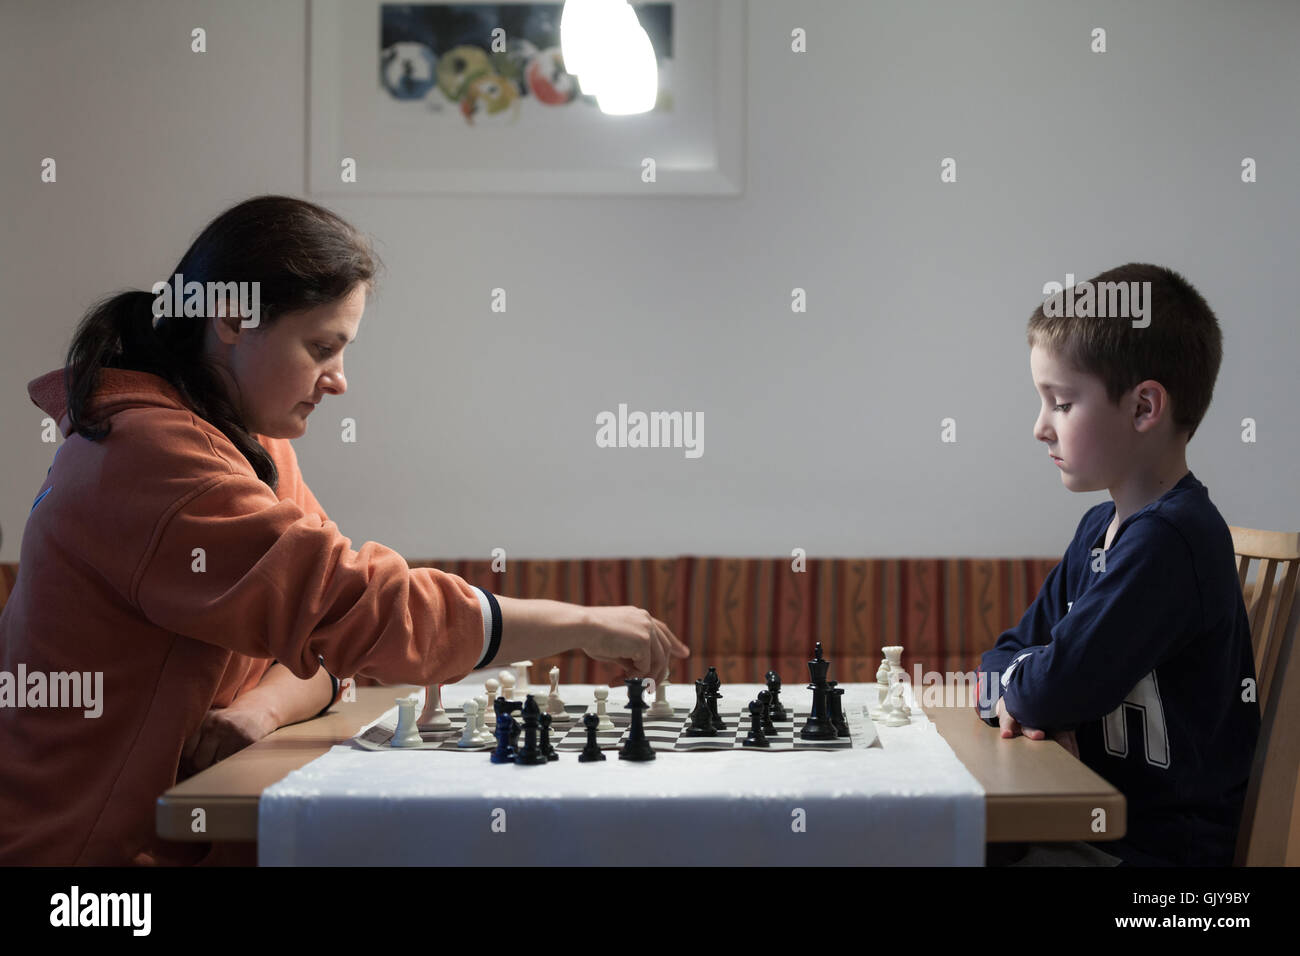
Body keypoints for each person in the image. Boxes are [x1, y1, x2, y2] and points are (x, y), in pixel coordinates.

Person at [0, 195, 688, 865]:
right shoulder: (150, 457)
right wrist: (576, 621)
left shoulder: (247, 448)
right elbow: (360, 613)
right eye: (322, 347)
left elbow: (333, 644)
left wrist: (264, 708)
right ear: (233, 319)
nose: (338, 381)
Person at [976, 263, 1260, 867]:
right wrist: (1032, 697)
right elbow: (996, 663)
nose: (1039, 428)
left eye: (1061, 402)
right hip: (1094, 832)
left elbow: (1050, 686)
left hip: (1160, 863)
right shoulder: (1097, 532)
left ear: (1143, 408)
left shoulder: (1171, 540)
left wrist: (1037, 696)